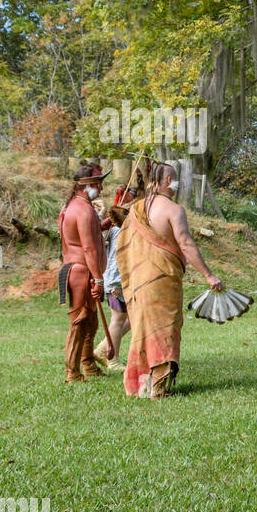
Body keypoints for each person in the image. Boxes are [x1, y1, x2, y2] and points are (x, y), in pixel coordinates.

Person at [117, 160, 223, 398]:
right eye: (174, 180)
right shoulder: (174, 210)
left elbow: (122, 246)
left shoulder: (135, 209)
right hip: (162, 281)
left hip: (138, 282)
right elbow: (185, 243)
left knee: (143, 330)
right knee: (164, 329)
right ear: (166, 181)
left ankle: (141, 385)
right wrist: (208, 274)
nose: (176, 184)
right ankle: (157, 388)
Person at [57, 162, 110, 383]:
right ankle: (72, 372)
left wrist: (106, 223)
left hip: (77, 270)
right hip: (81, 272)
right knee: (79, 322)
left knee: (91, 321)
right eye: (98, 183)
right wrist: (98, 279)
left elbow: (85, 236)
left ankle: (87, 364)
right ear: (85, 185)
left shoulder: (73, 207)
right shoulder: (84, 210)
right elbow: (87, 248)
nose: (101, 188)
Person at [94, 185, 140, 371]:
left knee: (132, 317)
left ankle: (104, 348)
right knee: (119, 318)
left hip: (122, 278)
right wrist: (115, 283)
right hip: (116, 279)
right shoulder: (120, 229)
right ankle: (112, 359)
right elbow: (117, 259)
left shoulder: (123, 227)